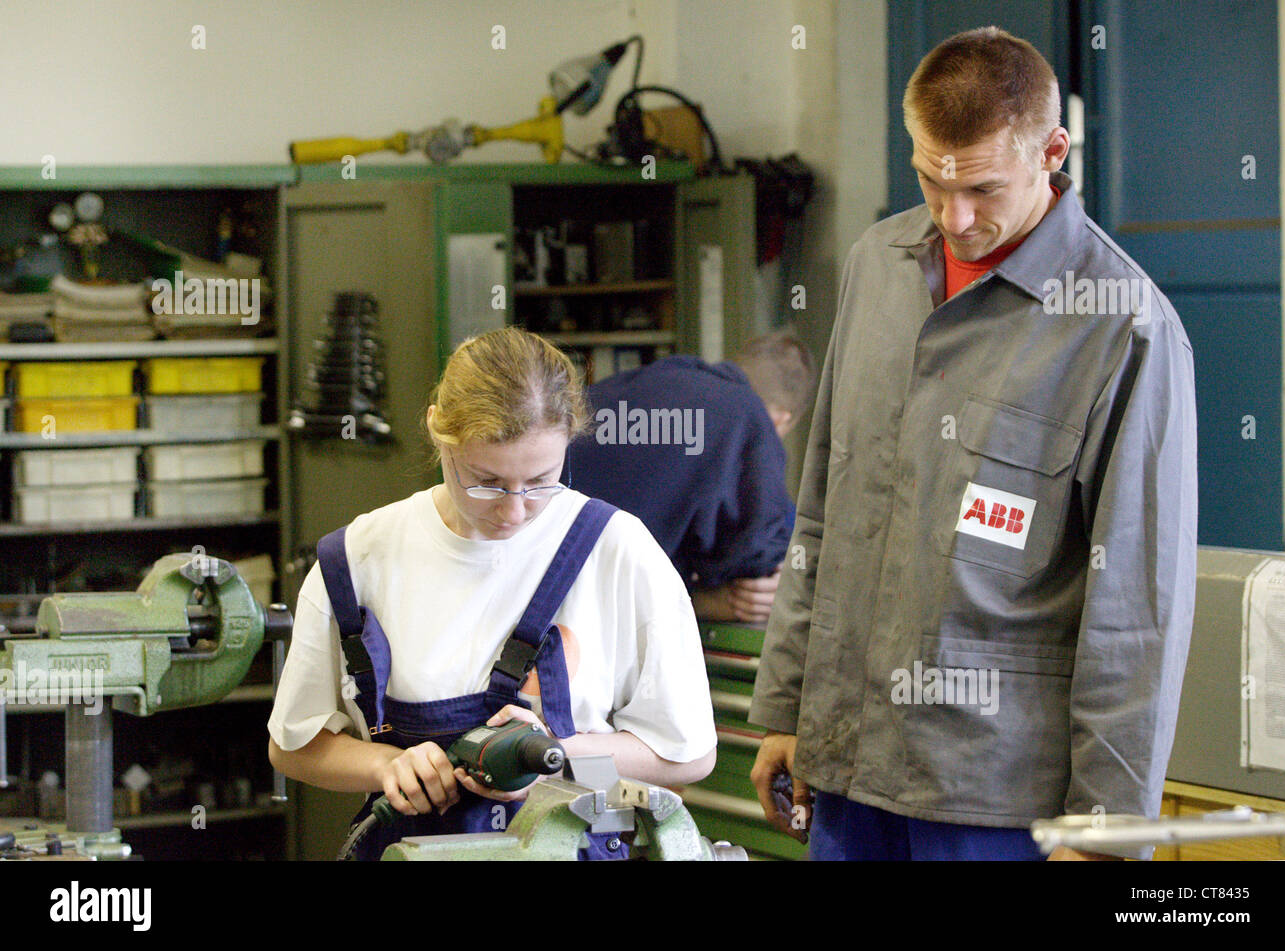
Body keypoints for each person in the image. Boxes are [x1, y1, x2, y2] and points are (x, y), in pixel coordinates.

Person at [749, 27, 1197, 861]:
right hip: (846, 769)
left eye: (985, 188)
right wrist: (787, 706)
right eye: (930, 179)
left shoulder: (1123, 328)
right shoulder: (876, 265)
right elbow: (822, 503)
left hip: (996, 799)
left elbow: (1137, 606)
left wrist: (1107, 824)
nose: (955, 218)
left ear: (1052, 150)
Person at [268, 326, 716, 860]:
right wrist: (385, 765)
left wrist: (552, 757)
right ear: (439, 432)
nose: (514, 511)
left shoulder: (617, 551)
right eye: (486, 482)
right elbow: (294, 746)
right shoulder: (358, 559)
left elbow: (687, 757)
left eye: (541, 481)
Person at [569, 331, 815, 624]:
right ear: (781, 420)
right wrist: (774, 583)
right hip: (601, 619)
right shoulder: (747, 415)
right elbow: (757, 562)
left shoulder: (641, 380)